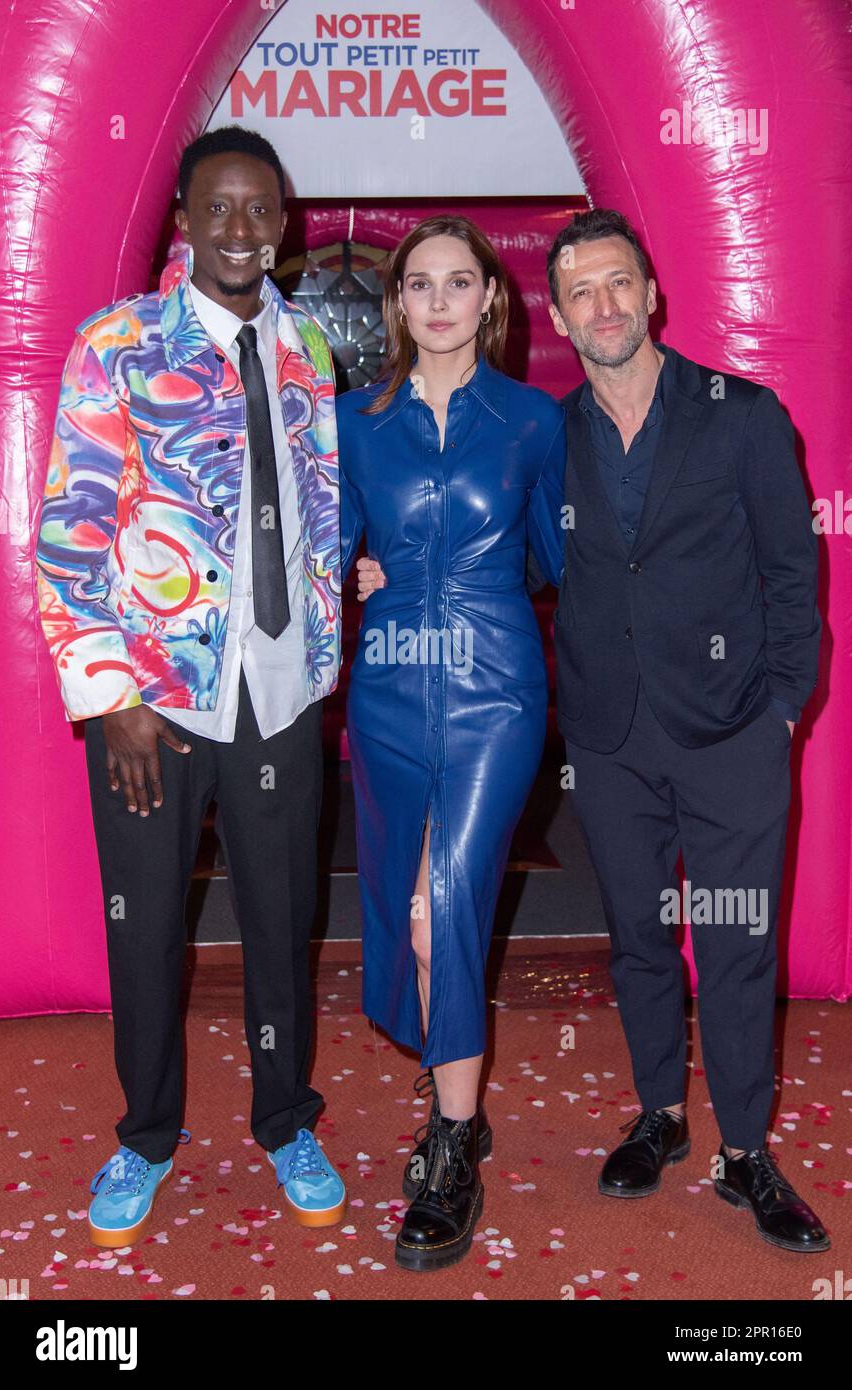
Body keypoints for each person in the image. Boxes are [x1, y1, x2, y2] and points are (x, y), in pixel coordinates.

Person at [35, 126, 346, 1247]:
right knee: (146, 927)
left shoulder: (308, 344)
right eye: (217, 209)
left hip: (282, 693)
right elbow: (69, 534)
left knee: (283, 917)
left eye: (260, 210)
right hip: (154, 707)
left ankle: (284, 1116)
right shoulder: (116, 344)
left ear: (284, 222)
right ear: (181, 220)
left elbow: (313, 499)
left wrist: (325, 625)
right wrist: (109, 693)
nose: (240, 231)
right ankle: (146, 1134)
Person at [542, 207, 827, 1252]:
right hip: (611, 742)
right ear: (561, 316)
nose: (604, 305)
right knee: (637, 941)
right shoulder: (552, 435)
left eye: (619, 284)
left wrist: (777, 714)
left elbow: (793, 578)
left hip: (729, 740)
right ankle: (658, 1112)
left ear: (651, 294)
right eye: (581, 291)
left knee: (737, 943)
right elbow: (518, 559)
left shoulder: (740, 415)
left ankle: (744, 1148)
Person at [337, 215, 566, 1271]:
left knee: (445, 910)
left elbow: (565, 557)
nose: (437, 300)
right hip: (386, 695)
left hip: (495, 694)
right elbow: (324, 552)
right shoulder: (355, 422)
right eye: (417, 283)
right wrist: (355, 576)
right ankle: (458, 1109)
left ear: (489, 299)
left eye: (457, 281)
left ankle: (448, 1145)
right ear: (399, 303)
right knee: (406, 911)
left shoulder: (531, 423)